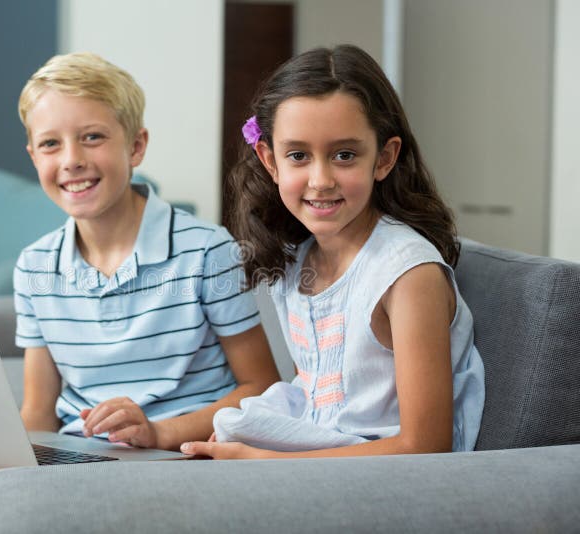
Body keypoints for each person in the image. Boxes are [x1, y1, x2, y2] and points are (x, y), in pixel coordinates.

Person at [0, 52, 279, 533]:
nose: (72, 160)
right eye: (51, 144)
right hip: (68, 453)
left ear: (136, 145)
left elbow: (263, 388)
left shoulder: (206, 251)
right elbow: (39, 411)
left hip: (173, 455)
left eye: (92, 137)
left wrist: (158, 430)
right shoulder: (37, 266)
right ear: (33, 156)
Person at [180, 45, 485, 460]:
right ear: (270, 162)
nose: (320, 180)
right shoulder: (299, 259)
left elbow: (425, 446)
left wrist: (270, 463)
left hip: (390, 479)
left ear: (384, 158)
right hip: (326, 461)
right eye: (298, 156)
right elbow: (321, 396)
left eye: (344, 155)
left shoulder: (408, 275)